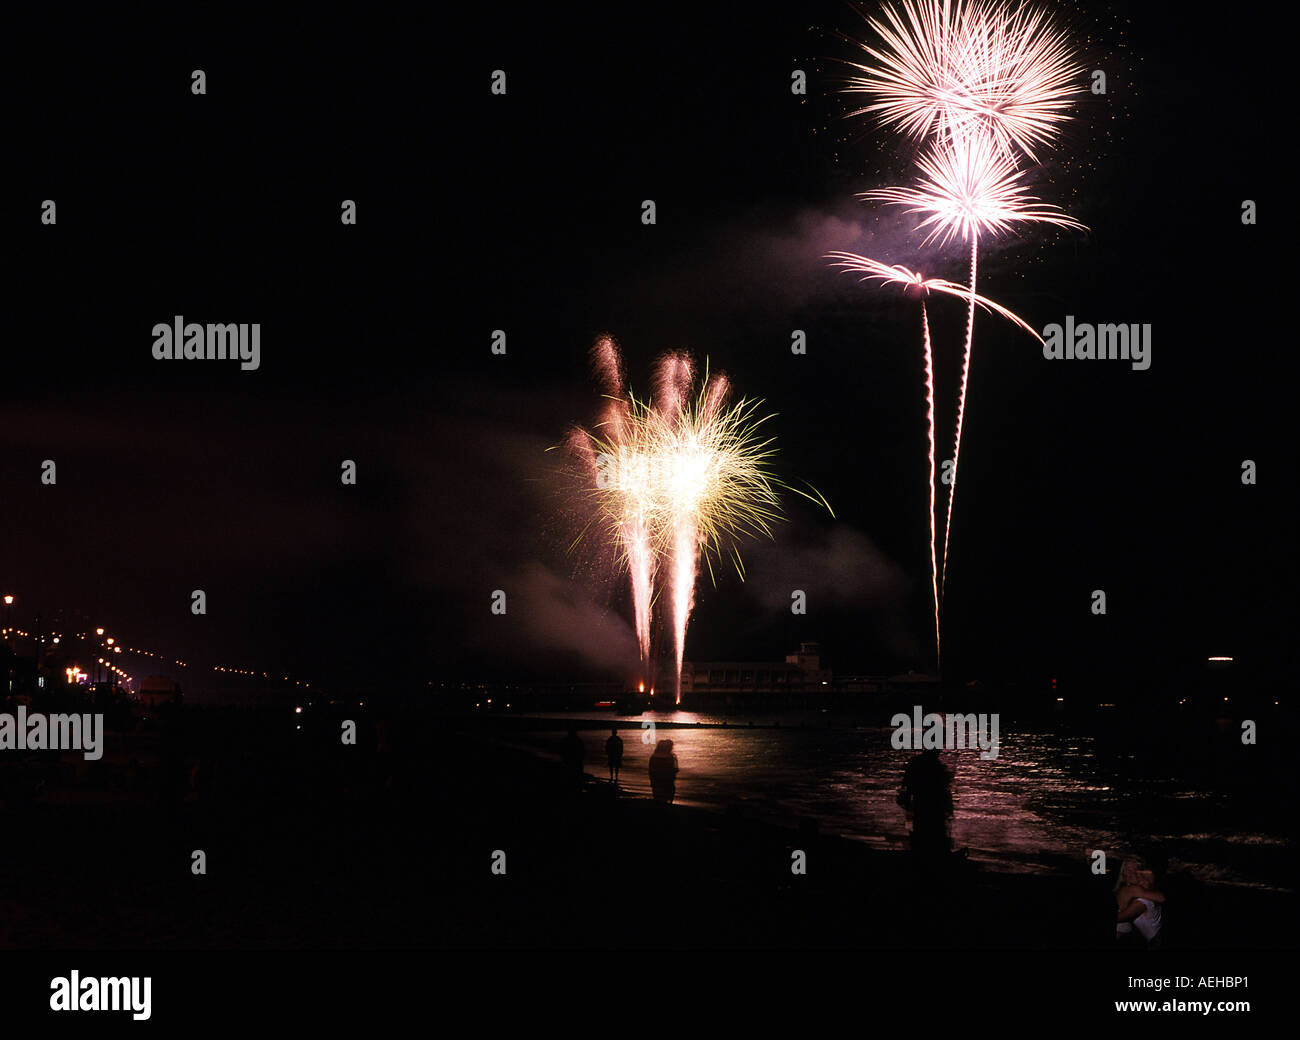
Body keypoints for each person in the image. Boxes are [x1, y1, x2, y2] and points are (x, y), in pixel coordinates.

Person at [897, 748, 953, 860]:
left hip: (924, 807)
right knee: (932, 838)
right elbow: (945, 792)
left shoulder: (918, 763)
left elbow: (906, 786)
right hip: (931, 807)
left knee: (922, 837)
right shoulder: (938, 767)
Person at [1115, 858, 1166, 948]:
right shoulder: (1128, 891)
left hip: (1158, 941)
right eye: (1127, 870)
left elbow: (1120, 918)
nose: (1132, 873)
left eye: (1135, 869)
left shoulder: (1142, 900)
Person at [648, 739, 678, 804]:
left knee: (658, 797)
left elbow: (651, 769)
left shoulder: (654, 756)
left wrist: (651, 779)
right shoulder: (671, 756)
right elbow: (674, 769)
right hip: (667, 780)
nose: (672, 748)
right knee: (668, 795)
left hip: (656, 780)